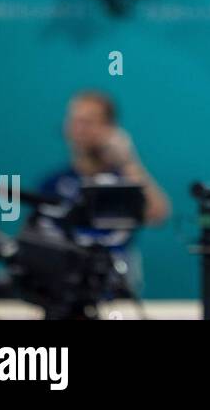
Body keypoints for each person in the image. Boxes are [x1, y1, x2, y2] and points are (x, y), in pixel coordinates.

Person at [38, 90, 171, 294]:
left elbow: (158, 214)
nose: (79, 129)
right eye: (75, 121)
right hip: (63, 286)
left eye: (88, 122)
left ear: (109, 129)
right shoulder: (55, 182)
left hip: (113, 287)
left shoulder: (125, 180)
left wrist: (128, 160)